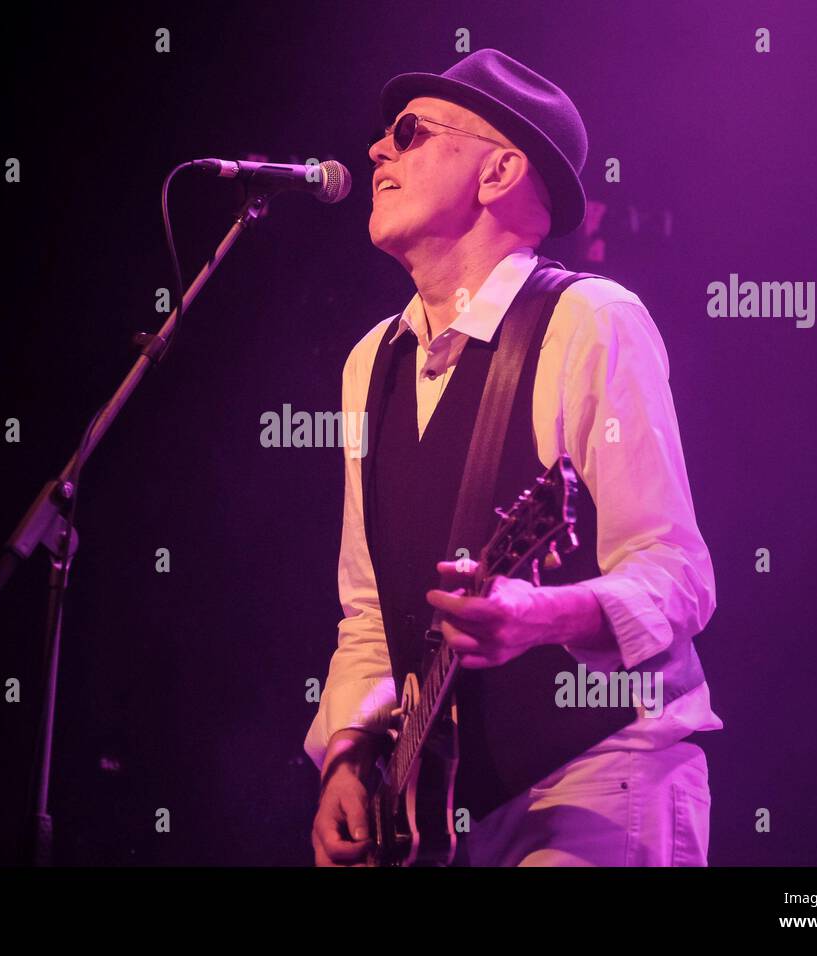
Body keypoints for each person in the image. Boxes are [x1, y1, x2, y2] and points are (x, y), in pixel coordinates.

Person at [305, 49, 722, 867]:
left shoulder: (590, 320)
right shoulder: (370, 364)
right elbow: (371, 615)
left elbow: (678, 574)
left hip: (605, 776)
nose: (376, 152)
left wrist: (543, 617)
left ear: (497, 171)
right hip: (460, 809)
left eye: (410, 133)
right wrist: (349, 751)